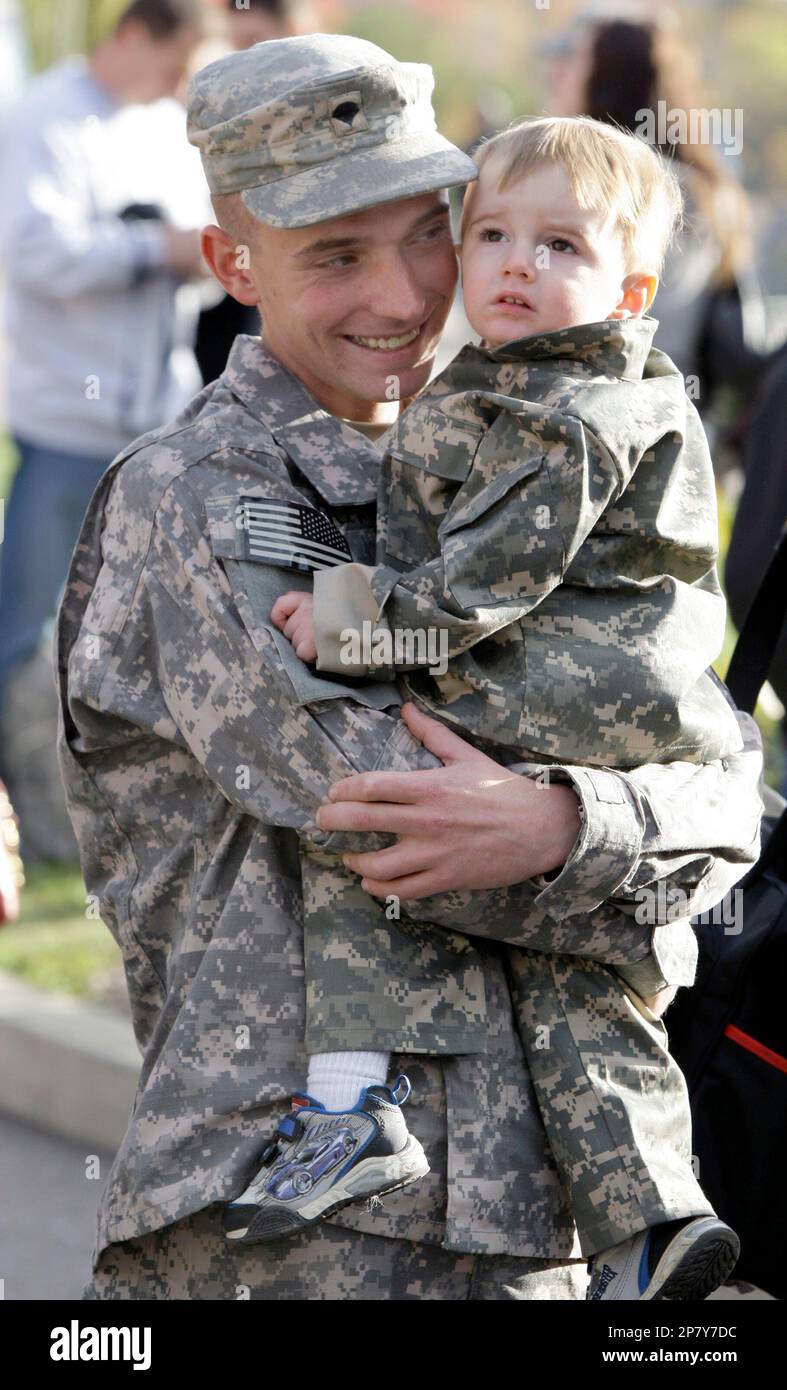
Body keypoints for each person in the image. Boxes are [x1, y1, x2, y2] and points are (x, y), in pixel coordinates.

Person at [56, 35, 764, 1302]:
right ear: (231, 265)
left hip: (535, 1238)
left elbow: (721, 777)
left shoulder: (513, 456)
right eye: (333, 254)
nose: (402, 295)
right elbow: (394, 822)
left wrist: (563, 817)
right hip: (285, 1241)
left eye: (427, 234)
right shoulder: (209, 500)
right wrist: (630, 823)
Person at [234, 114, 743, 1299]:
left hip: (558, 705)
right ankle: (650, 1224)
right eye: (493, 234)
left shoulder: (567, 412)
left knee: (381, 837)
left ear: (628, 287)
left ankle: (353, 1102)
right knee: (577, 977)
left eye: (558, 244)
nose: (515, 262)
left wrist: (356, 621)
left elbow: (485, 579)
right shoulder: (534, 377)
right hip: (598, 728)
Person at [0, 0, 207, 762]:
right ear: (131, 36)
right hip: (67, 424)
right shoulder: (48, 118)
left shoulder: (161, 125)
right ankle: (24, 815)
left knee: (139, 631)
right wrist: (153, 248)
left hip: (157, 424)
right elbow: (34, 252)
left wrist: (193, 257)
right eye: (177, 61)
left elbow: (198, 250)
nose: (181, 82)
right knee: (31, 629)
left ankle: (105, 802)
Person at [193, 0, 308, 386]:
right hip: (225, 283)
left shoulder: (319, 115)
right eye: (233, 42)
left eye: (251, 42)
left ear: (290, 29)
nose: (238, 58)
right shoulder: (220, 104)